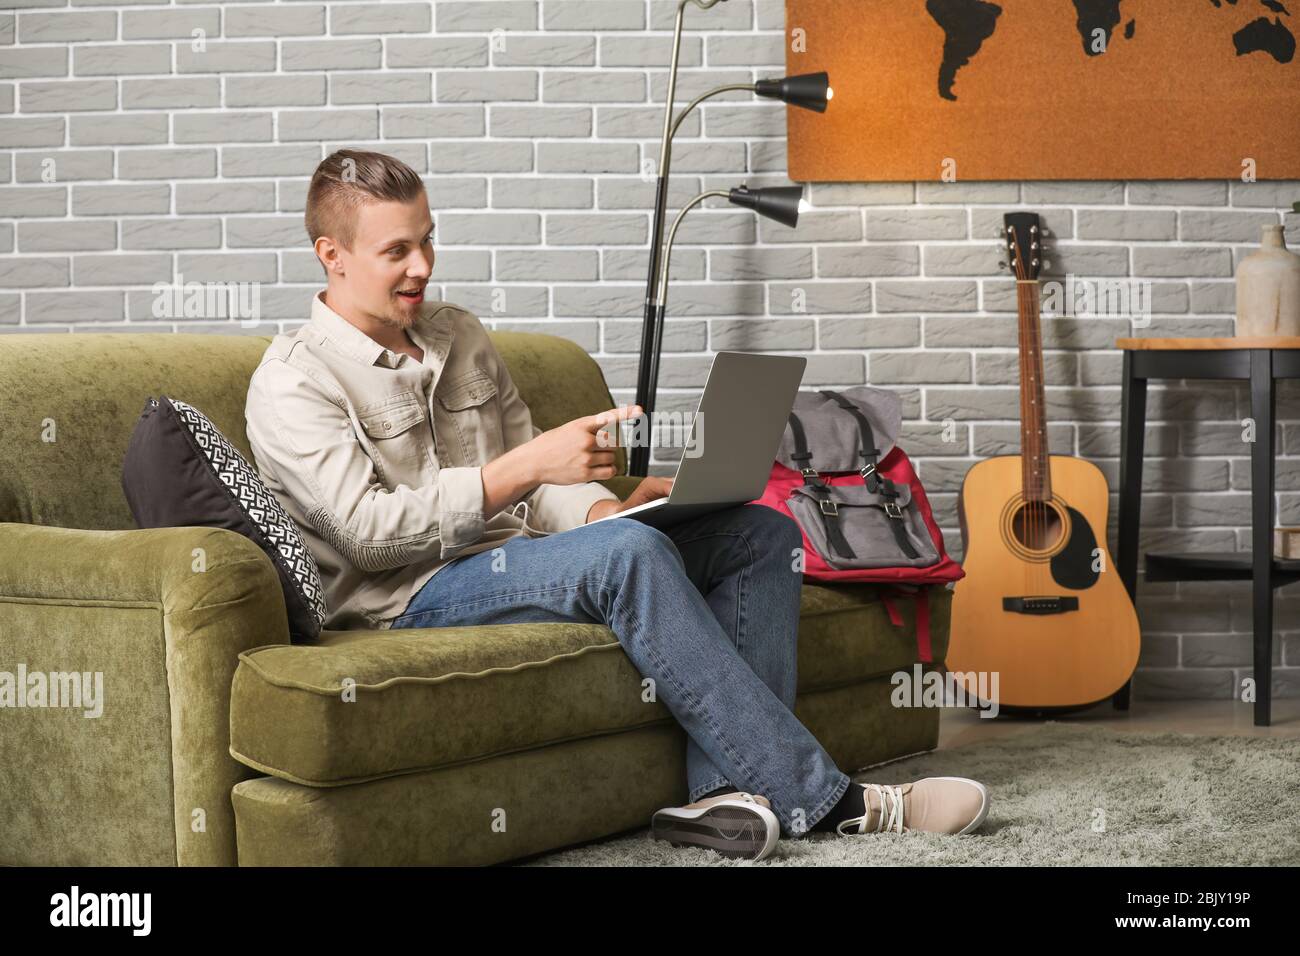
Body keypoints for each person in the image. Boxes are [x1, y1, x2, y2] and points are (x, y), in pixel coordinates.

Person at [244, 149, 990, 862]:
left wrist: (603, 511)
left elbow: (544, 487)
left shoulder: (458, 334)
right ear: (331, 254)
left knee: (758, 530)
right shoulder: (294, 381)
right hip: (406, 594)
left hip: (518, 559)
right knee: (628, 558)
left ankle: (725, 796)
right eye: (397, 251)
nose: (423, 268)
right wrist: (532, 471)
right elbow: (369, 537)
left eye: (429, 241)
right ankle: (831, 801)